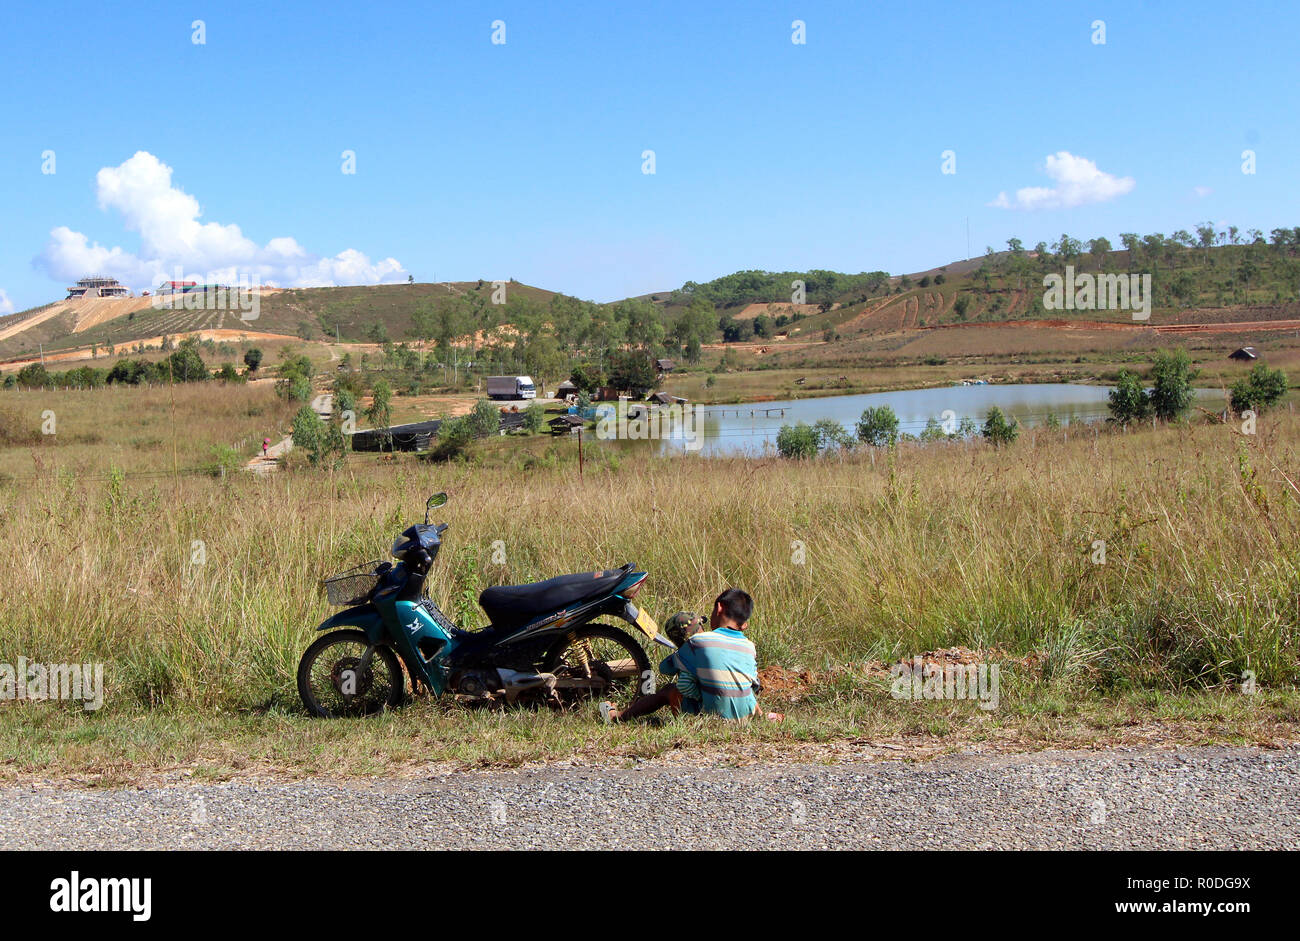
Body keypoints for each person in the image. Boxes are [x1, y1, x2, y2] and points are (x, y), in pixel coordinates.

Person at [602, 589, 782, 723]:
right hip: (745, 722)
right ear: (744, 623)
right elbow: (753, 686)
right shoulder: (749, 647)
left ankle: (618, 717)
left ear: (719, 608)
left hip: (714, 722)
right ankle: (762, 718)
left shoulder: (699, 642)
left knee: (669, 690)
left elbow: (665, 668)